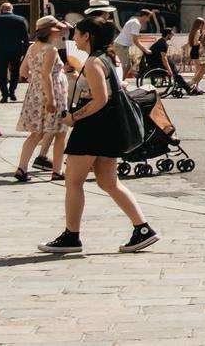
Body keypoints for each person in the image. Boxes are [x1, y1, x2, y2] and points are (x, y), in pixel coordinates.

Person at [44, 15, 157, 254]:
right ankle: (143, 228)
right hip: (108, 127)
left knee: (73, 181)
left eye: (77, 33)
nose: (73, 37)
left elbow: (100, 98)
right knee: (108, 182)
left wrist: (73, 117)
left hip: (92, 129)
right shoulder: (105, 58)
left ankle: (71, 236)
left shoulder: (95, 62)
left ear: (87, 36)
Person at [14, 17, 72, 182]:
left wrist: (37, 78)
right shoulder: (51, 50)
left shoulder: (32, 48)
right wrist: (51, 99)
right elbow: (47, 75)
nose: (60, 33)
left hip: (35, 92)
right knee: (60, 132)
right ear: (52, 31)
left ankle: (22, 168)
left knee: (36, 133)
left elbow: (23, 71)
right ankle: (57, 170)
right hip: (52, 92)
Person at [0, 3, 30, 103]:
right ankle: (12, 92)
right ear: (12, 9)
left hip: (1, 50)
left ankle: (4, 95)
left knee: (2, 73)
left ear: (1, 10)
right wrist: (24, 51)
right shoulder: (20, 20)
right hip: (16, 50)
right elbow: (25, 37)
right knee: (15, 72)